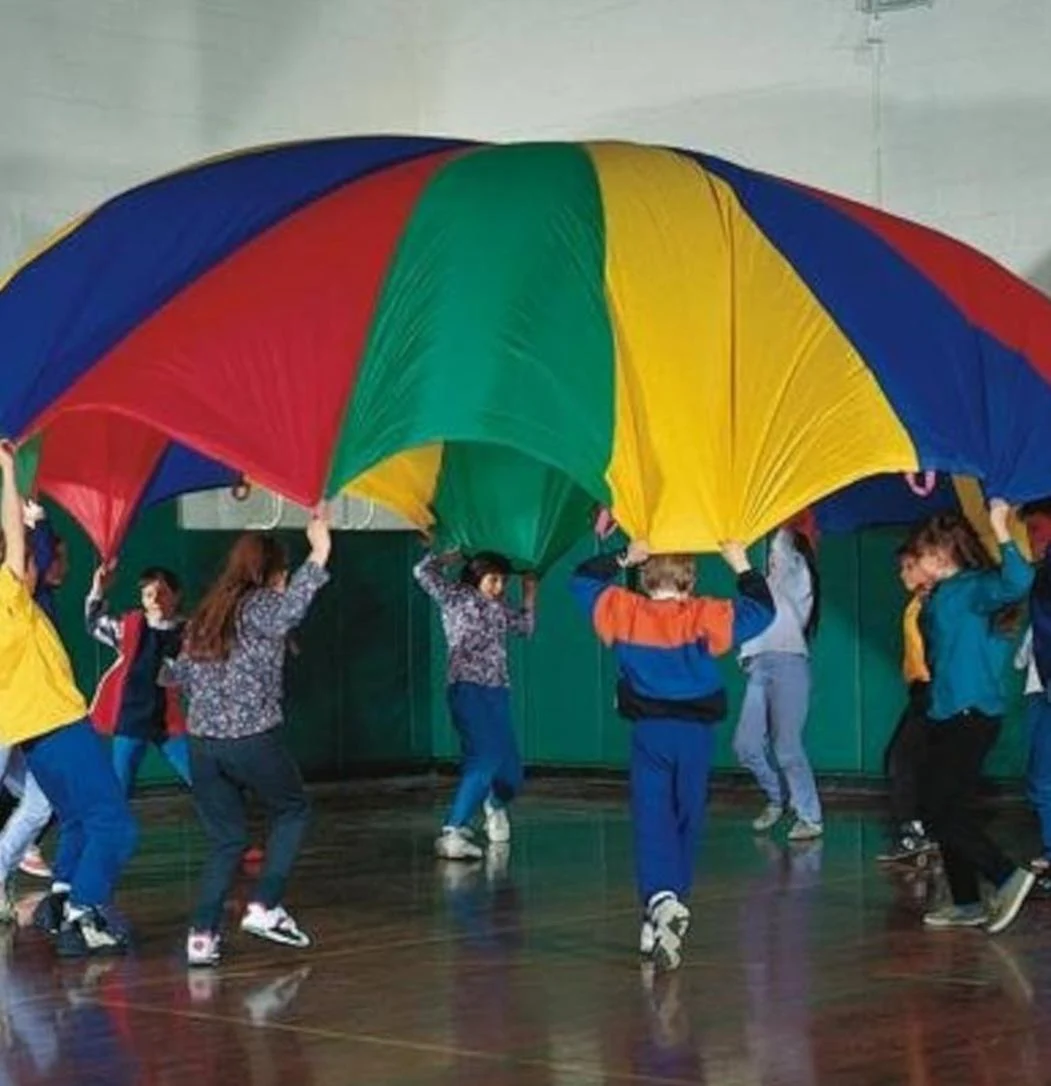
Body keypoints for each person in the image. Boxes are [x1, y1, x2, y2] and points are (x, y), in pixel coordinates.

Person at [571, 539, 774, 971]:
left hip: (649, 733)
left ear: (645, 577)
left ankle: (660, 904)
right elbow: (762, 612)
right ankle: (669, 902)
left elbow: (582, 580)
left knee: (652, 820)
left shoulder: (623, 610)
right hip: (695, 735)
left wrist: (624, 556)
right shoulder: (705, 615)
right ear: (691, 578)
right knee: (687, 819)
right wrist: (740, 564)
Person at [167, 512, 331, 968]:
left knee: (226, 841)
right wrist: (319, 552)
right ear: (271, 573)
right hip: (251, 738)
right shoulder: (258, 605)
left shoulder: (206, 614)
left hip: (203, 746)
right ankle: (265, 905)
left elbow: (176, 674)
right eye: (283, 573)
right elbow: (290, 610)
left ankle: (201, 936)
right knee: (292, 809)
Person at [0, 441, 137, 956]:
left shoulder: (16, 604)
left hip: (35, 734)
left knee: (78, 818)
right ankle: (84, 909)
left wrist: (32, 521)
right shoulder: (7, 599)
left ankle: (60, 897)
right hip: (57, 725)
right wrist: (9, 474)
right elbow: (16, 547)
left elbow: (23, 553)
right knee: (116, 827)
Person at [912, 502, 1035, 933]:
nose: (916, 561)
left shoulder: (974, 587)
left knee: (941, 810)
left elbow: (1020, 579)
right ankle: (966, 901)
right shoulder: (944, 595)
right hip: (947, 714)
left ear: (943, 553)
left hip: (972, 715)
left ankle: (1005, 875)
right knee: (941, 807)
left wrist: (1001, 527)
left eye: (922, 553)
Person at [414, 550, 537, 861]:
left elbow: (524, 628)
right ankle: (452, 830)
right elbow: (422, 572)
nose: (498, 587)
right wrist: (449, 553)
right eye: (493, 579)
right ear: (476, 576)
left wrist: (529, 595)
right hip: (467, 689)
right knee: (485, 757)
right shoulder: (456, 596)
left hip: (497, 692)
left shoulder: (498, 608)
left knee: (511, 772)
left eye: (502, 581)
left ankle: (493, 805)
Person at [733, 523, 823, 841]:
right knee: (745, 745)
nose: (773, 559)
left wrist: (784, 518)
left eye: (776, 554)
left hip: (788, 664)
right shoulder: (767, 584)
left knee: (787, 746)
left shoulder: (797, 577)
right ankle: (779, 797)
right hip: (759, 667)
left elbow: (784, 546)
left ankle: (810, 816)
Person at [86, 563, 191, 793]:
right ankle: (112, 829)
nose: (156, 600)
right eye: (149, 595)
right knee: (119, 788)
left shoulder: (189, 633)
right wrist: (98, 589)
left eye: (162, 593)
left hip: (168, 718)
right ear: (143, 599)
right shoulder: (130, 627)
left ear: (177, 595)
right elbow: (94, 623)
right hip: (131, 717)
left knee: (200, 778)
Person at [878, 543, 937, 863]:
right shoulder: (919, 601)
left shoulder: (934, 602)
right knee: (902, 758)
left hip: (933, 689)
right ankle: (920, 828)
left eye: (909, 566)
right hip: (920, 689)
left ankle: (917, 830)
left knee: (904, 759)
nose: (903, 573)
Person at [1016, 501, 1051, 886]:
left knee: (1043, 777)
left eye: (1038, 528)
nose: (1033, 538)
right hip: (1040, 683)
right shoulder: (1040, 573)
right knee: (1040, 777)